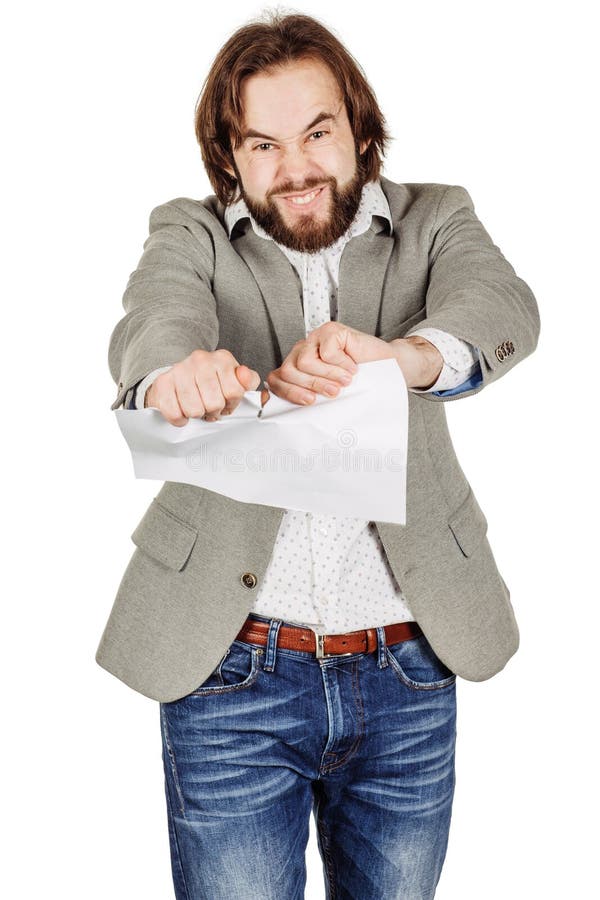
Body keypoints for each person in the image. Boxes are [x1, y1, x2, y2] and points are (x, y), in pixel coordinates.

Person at [95, 11, 540, 899]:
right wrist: (172, 376)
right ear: (231, 156)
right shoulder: (190, 233)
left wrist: (405, 358)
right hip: (231, 669)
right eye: (263, 144)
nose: (294, 169)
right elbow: (155, 316)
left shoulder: (437, 217)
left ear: (359, 129)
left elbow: (502, 306)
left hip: (408, 666)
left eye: (317, 134)